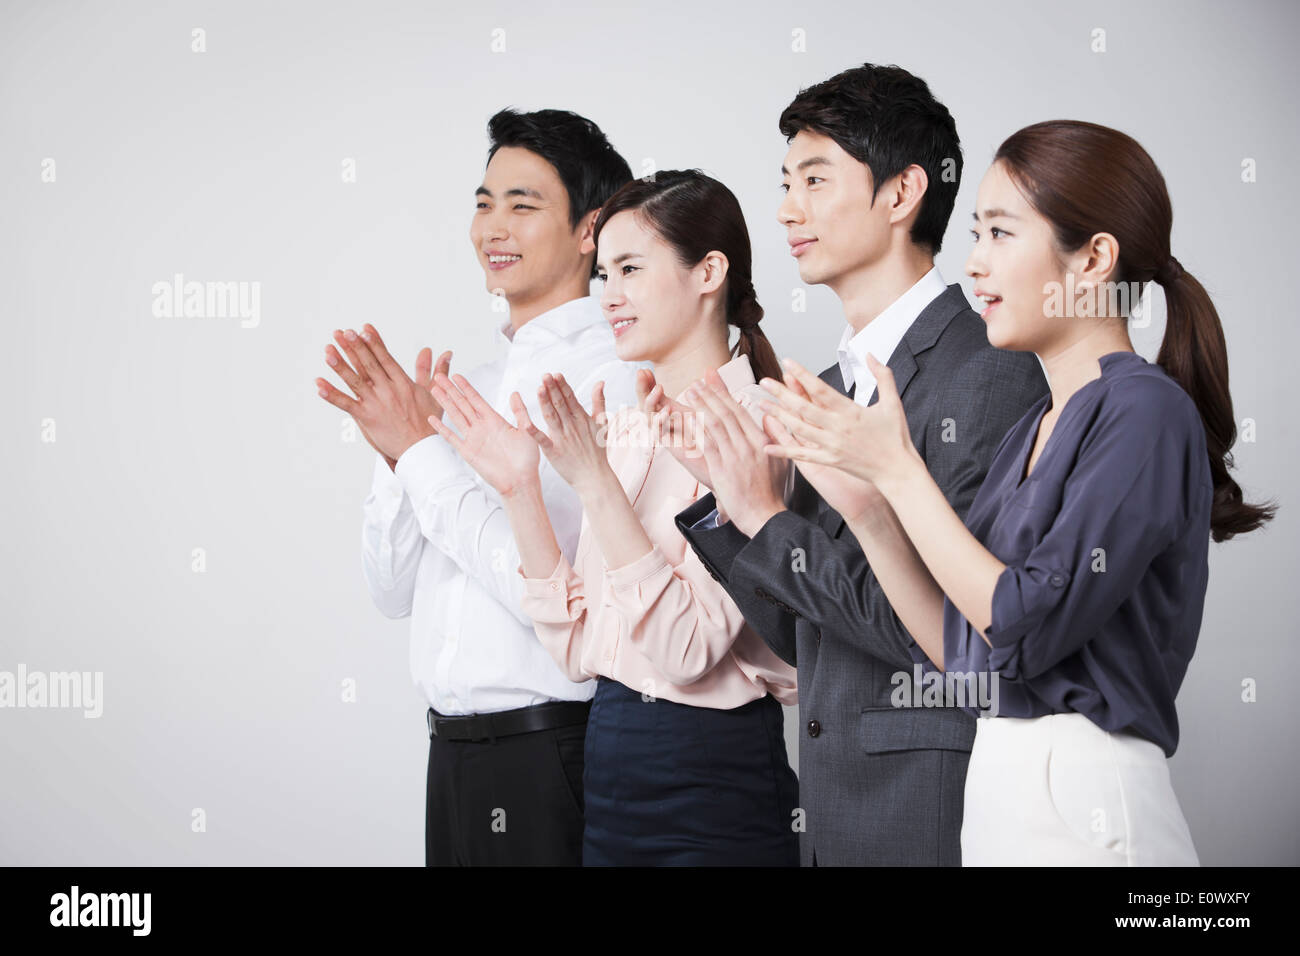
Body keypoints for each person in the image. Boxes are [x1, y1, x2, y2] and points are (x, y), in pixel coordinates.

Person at [759, 119, 1276, 865]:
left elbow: (1024, 626)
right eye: (976, 234)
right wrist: (869, 503)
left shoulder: (1143, 411)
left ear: (1096, 258)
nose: (974, 265)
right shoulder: (1034, 425)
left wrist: (902, 470)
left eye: (1001, 234)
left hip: (1084, 798)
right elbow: (960, 658)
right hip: (1003, 796)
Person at [673, 63, 1048, 865]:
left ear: (903, 192)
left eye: (815, 178)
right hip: (834, 812)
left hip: (923, 804)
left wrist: (767, 517)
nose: (786, 210)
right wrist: (729, 503)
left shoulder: (988, 367)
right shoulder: (835, 384)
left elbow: (939, 633)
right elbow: (804, 633)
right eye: (785, 182)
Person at [426, 170, 800, 865]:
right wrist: (520, 491)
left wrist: (596, 484)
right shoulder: (628, 426)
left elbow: (687, 652)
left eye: (630, 268)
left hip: (713, 777)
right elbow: (577, 648)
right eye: (603, 274)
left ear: (709, 271)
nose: (610, 296)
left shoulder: (758, 426)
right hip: (612, 757)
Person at [314, 107, 642, 865]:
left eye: (523, 205)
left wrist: (422, 452)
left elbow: (561, 609)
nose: (493, 226)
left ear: (590, 229)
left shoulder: (614, 378)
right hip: (450, 757)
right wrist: (401, 456)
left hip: (552, 753)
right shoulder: (473, 386)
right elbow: (391, 592)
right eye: (483, 203)